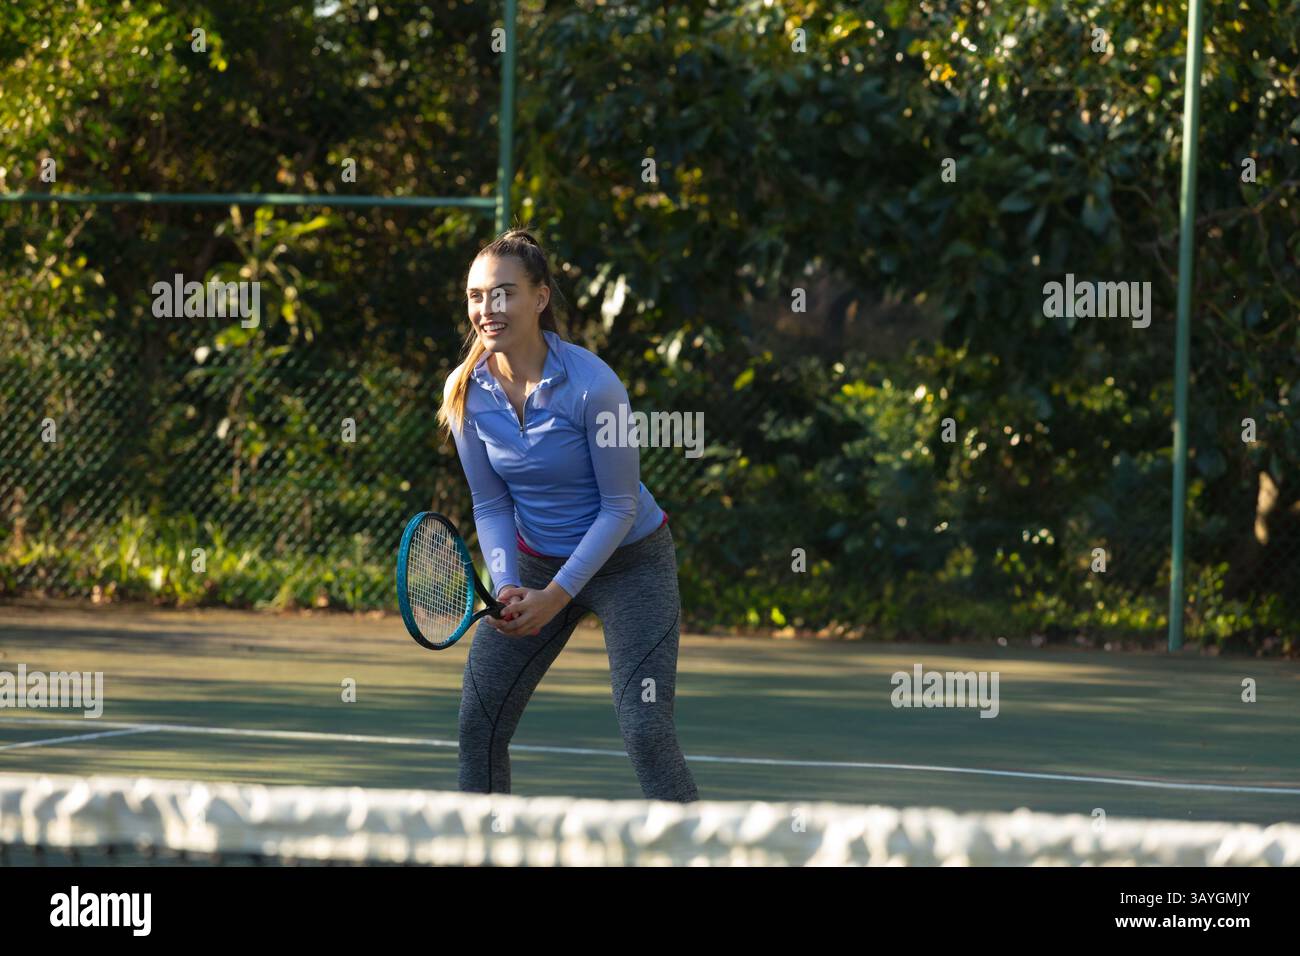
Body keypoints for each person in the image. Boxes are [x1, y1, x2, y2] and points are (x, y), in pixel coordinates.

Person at [437, 228, 698, 803]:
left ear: (540, 298)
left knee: (646, 731)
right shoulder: (464, 393)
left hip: (633, 565)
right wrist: (507, 586)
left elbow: (619, 505)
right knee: (477, 729)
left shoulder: (596, 386)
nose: (488, 308)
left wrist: (555, 598)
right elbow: (491, 502)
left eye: (504, 293)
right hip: (532, 565)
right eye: (477, 295)